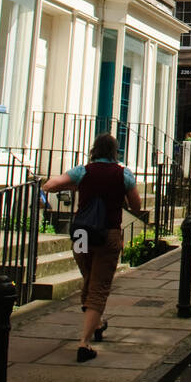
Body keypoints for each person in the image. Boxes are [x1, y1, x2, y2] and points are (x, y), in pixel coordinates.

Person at [41, 133, 143, 362]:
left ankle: (96, 323)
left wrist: (71, 186)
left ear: (94, 149)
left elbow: (50, 185)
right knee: (98, 286)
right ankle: (84, 344)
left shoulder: (83, 171)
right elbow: (137, 206)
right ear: (115, 152)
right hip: (107, 233)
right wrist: (122, 198)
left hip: (81, 234)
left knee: (88, 278)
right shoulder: (123, 174)